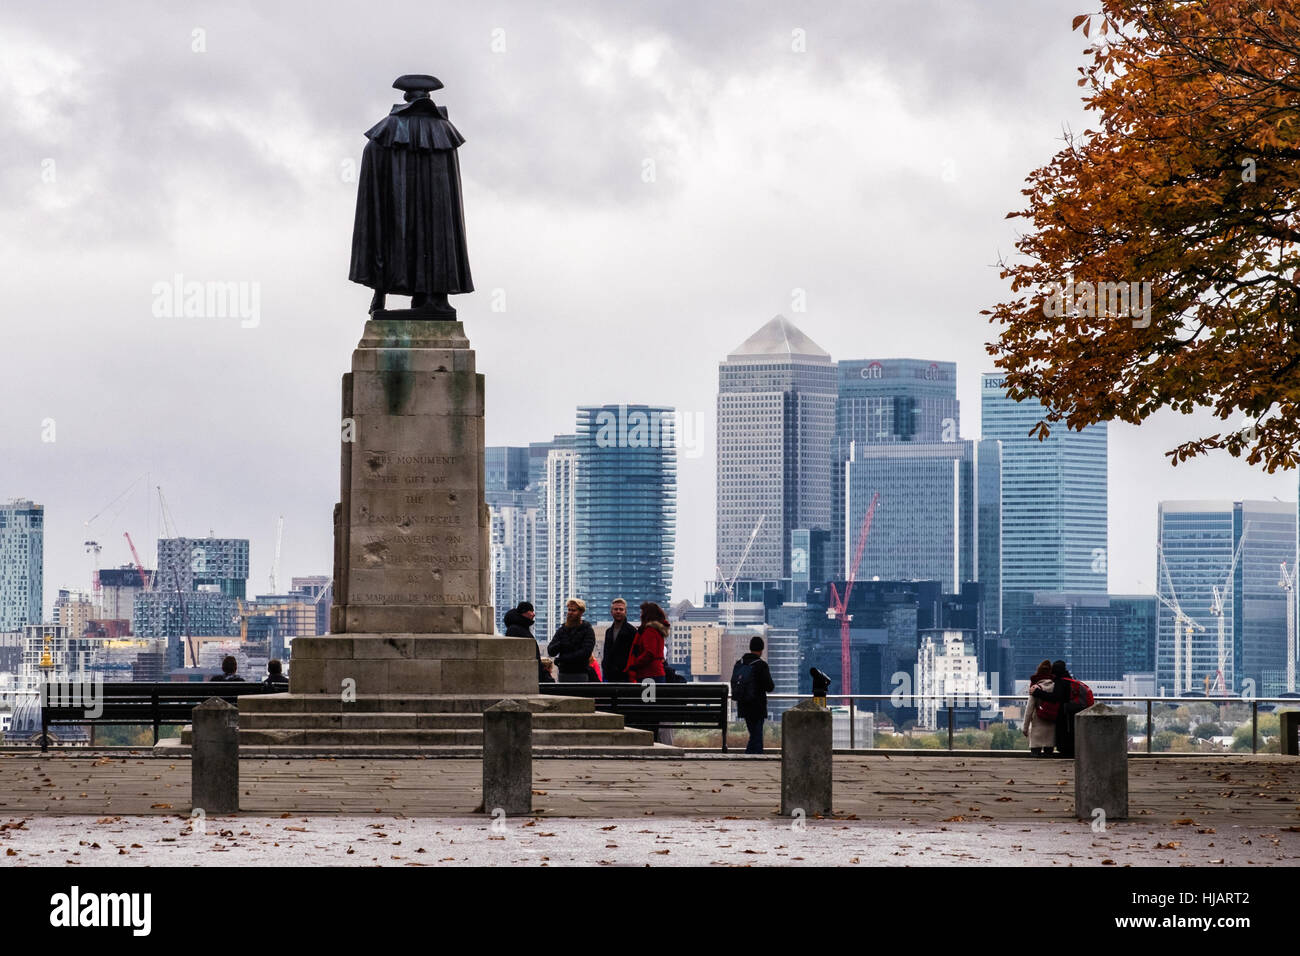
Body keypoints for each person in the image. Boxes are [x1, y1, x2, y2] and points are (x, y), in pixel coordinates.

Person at [731, 636, 775, 754]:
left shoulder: (739, 663)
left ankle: (751, 756)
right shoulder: (761, 665)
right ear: (761, 649)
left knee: (754, 735)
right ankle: (753, 757)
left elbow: (734, 682)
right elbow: (770, 687)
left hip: (743, 704)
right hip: (757, 705)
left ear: (750, 648)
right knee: (757, 736)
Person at [1031, 660, 1077, 757]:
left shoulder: (1060, 681)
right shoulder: (1069, 679)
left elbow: (1055, 697)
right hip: (1071, 711)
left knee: (1063, 733)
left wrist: (1037, 692)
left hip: (1063, 713)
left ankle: (1065, 752)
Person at [547, 599, 596, 682]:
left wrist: (563, 659)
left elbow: (585, 652)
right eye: (569, 610)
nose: (570, 613)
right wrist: (561, 644)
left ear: (581, 612)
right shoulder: (562, 630)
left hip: (580, 673)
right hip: (564, 673)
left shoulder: (587, 630)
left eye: (573, 610)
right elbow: (551, 650)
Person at [503, 600, 549, 685]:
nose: (533, 614)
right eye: (530, 611)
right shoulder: (515, 630)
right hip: (525, 677)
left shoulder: (522, 629)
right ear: (524, 613)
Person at [626, 603, 668, 683]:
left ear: (647, 615)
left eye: (642, 613)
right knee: (655, 695)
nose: (640, 616)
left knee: (648, 695)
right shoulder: (657, 631)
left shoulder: (649, 631)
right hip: (656, 672)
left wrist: (635, 664)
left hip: (649, 674)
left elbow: (650, 653)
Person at [1021, 659, 1056, 756]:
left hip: (1037, 727)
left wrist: (1025, 728)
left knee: (1035, 757)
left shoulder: (1035, 688)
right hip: (1052, 727)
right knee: (1049, 758)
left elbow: (1029, 710)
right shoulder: (1056, 687)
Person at [601, 598, 636, 683]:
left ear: (625, 611)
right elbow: (606, 652)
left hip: (625, 676)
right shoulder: (608, 631)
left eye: (621, 609)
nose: (618, 611)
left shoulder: (632, 631)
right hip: (610, 675)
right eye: (615, 609)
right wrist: (605, 667)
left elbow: (634, 654)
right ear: (611, 612)